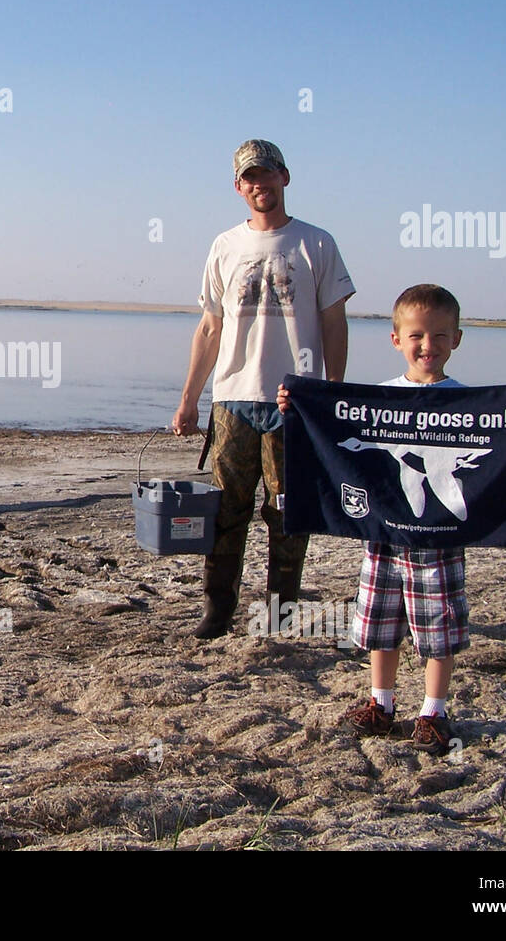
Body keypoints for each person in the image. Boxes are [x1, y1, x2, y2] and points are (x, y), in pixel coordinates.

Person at [277, 284, 506, 753]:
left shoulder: (467, 402)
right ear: (397, 340)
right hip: (385, 534)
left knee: (438, 628)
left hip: (440, 539)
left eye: (439, 335)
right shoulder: (379, 398)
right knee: (379, 623)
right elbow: (336, 425)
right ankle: (381, 702)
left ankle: (433, 711)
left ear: (456, 339)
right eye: (416, 335)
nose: (427, 345)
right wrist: (296, 407)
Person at [171, 140, 355, 639]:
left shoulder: (316, 243)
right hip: (233, 399)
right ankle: (218, 609)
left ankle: (281, 614)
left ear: (285, 177)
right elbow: (210, 326)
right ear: (238, 187)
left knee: (288, 513)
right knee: (226, 509)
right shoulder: (224, 245)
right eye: (249, 178)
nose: (259, 185)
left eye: (267, 174)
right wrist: (190, 398)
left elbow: (333, 322)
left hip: (295, 401)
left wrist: (332, 392)